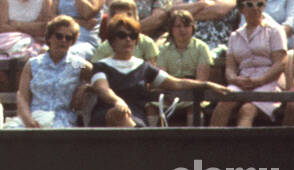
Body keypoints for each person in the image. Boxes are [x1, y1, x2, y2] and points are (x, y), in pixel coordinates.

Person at [86, 13, 226, 126]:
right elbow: (103, 90)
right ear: (112, 40)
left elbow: (177, 83)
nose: (128, 39)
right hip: (106, 116)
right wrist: (117, 102)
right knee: (117, 113)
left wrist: (207, 84)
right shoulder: (101, 66)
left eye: (133, 36)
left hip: (136, 118)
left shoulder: (143, 67)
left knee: (129, 120)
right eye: (122, 35)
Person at [15, 16, 91, 127]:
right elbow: (22, 97)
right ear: (49, 37)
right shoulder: (34, 64)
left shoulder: (76, 64)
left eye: (68, 38)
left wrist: (87, 87)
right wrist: (28, 121)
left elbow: (99, 79)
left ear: (73, 41)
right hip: (34, 117)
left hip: (62, 120)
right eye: (59, 36)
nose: (63, 40)